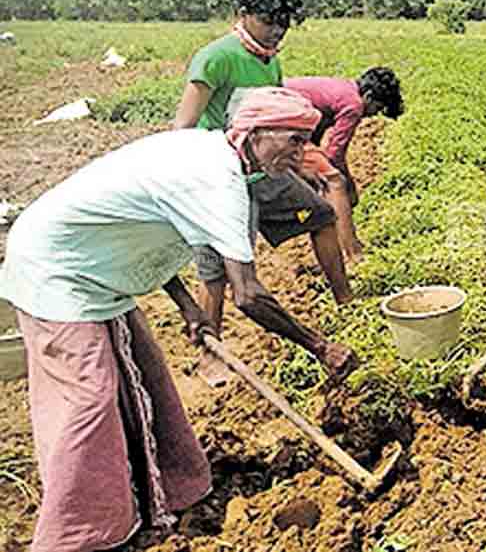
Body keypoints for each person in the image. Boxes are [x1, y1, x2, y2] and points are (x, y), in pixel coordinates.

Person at [0, 87, 358, 552]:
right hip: (58, 269)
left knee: (145, 378)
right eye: (291, 140)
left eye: (305, 141)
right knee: (89, 397)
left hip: (99, 267)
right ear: (253, 133)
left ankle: (161, 492)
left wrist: (188, 306)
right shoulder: (218, 179)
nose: (300, 153)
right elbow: (248, 295)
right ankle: (75, 534)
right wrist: (319, 346)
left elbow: (151, 225)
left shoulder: (217, 155)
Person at [171, 0, 351, 332]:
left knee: (321, 215)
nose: (276, 30)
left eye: (283, 22)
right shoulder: (216, 58)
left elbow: (279, 123)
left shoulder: (271, 60)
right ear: (243, 12)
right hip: (219, 178)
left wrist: (302, 165)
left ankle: (346, 304)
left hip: (264, 172)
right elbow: (183, 128)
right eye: (268, 21)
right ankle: (211, 351)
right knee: (217, 273)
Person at [285, 67, 405, 263]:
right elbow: (335, 153)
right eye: (378, 107)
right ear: (368, 95)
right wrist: (349, 185)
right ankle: (354, 253)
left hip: (275, 113)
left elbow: (317, 129)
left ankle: (331, 240)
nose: (374, 115)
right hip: (279, 123)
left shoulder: (343, 89)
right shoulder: (354, 105)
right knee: (336, 184)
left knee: (322, 181)